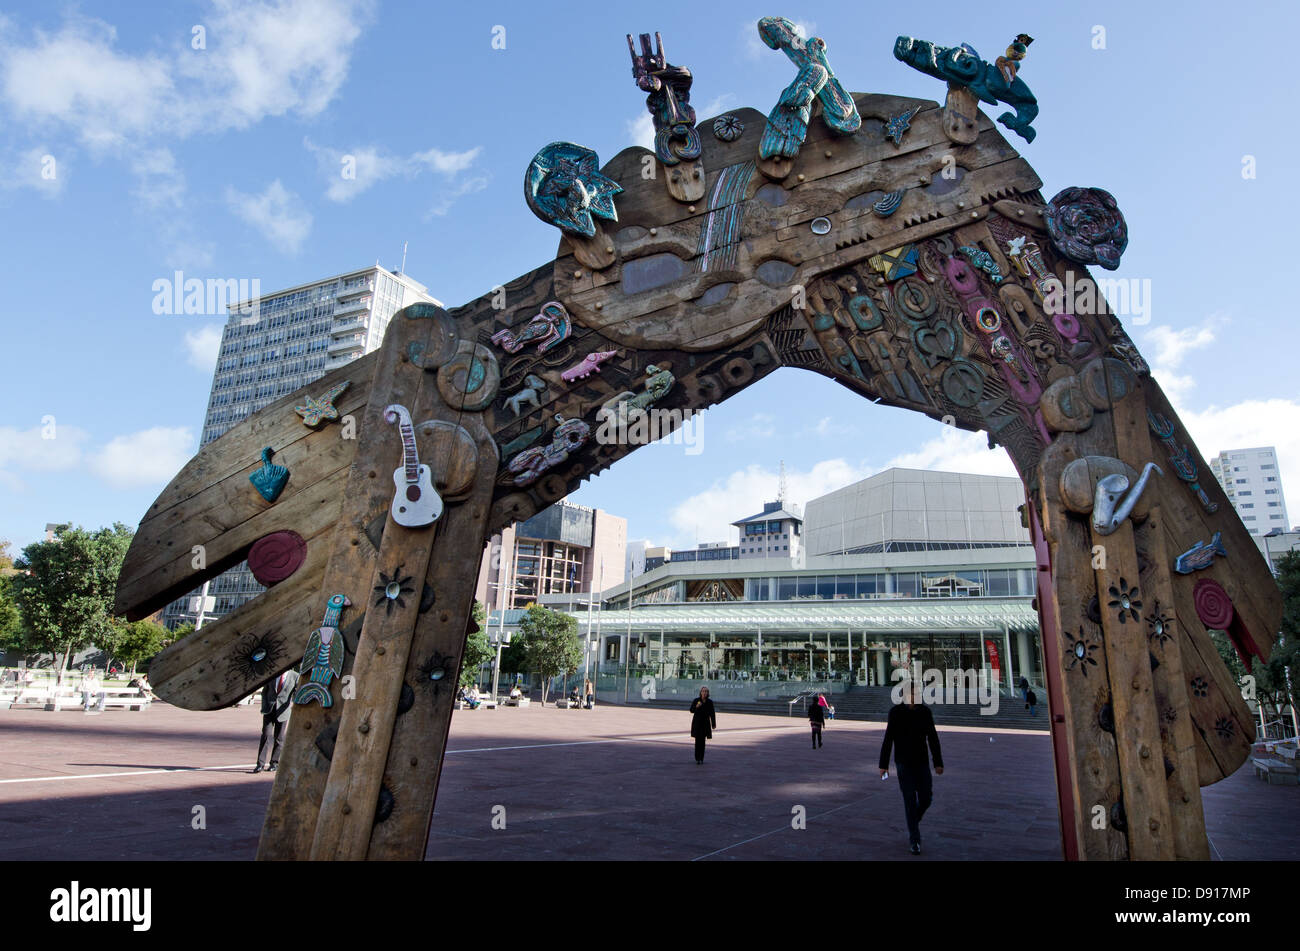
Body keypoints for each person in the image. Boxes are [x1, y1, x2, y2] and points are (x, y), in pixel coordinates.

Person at [879, 679, 944, 855]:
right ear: (906, 695)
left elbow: (933, 738)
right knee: (909, 800)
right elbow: (888, 738)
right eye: (913, 694)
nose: (916, 697)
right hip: (903, 763)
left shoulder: (925, 712)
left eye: (918, 694)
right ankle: (915, 840)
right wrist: (883, 765)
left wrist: (937, 762)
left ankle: (913, 820)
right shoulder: (896, 713)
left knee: (926, 798)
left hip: (922, 762)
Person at [255, 669, 298, 773]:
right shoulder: (273, 673)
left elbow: (297, 693)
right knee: (266, 735)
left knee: (279, 738)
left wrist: (294, 704)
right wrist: (264, 705)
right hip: (269, 710)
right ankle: (260, 764)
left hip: (283, 712)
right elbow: (265, 691)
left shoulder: (295, 676)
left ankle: (274, 763)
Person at [689, 686, 716, 765]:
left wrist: (713, 724)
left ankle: (701, 758)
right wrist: (696, 707)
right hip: (697, 723)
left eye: (706, 691)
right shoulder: (696, 700)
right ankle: (697, 758)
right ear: (700, 692)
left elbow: (712, 714)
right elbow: (691, 710)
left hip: (705, 724)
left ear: (708, 693)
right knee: (697, 742)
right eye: (703, 691)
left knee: (703, 742)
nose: (704, 693)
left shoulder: (710, 702)